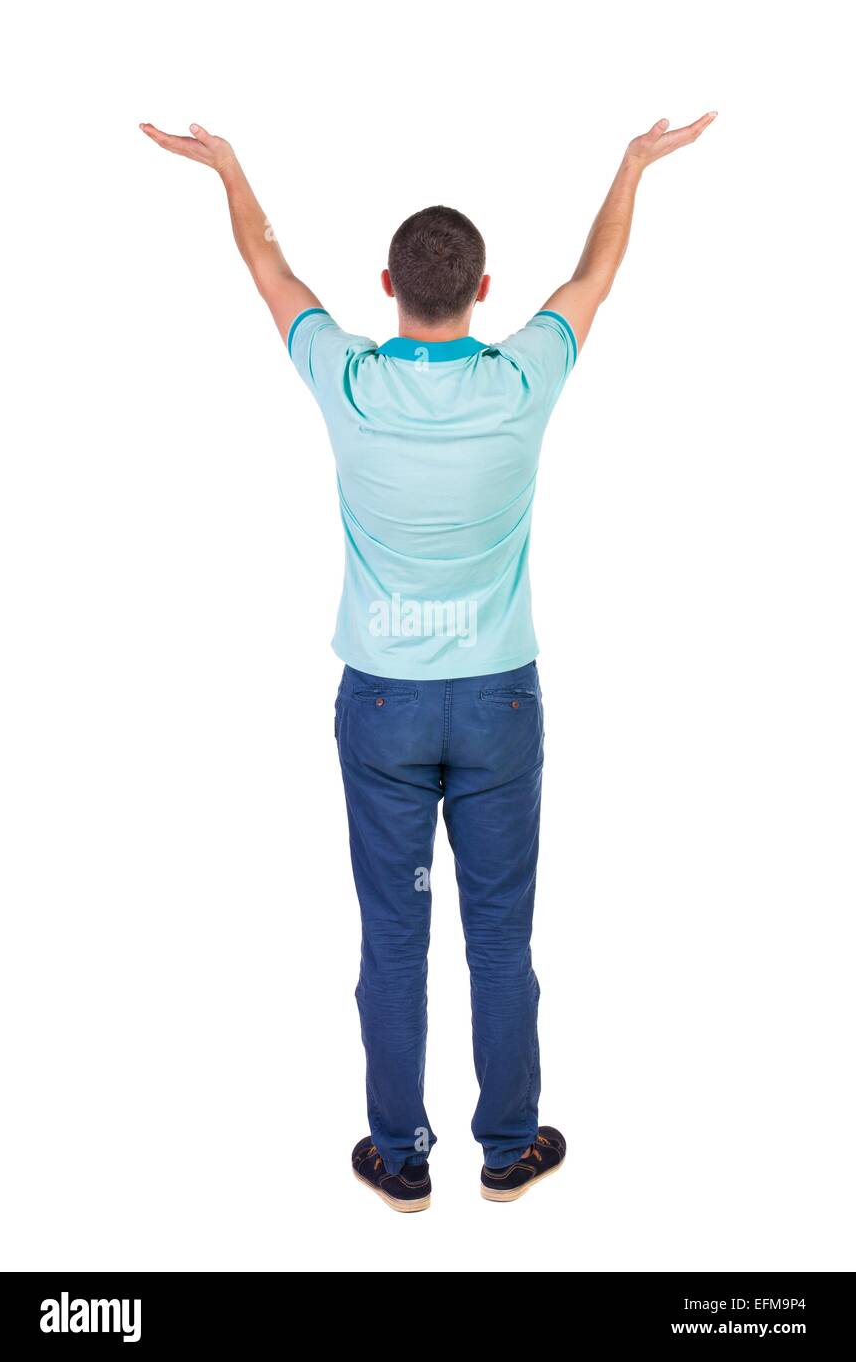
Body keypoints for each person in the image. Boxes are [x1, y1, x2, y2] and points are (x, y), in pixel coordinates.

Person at [140, 110, 716, 1211]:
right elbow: (595, 274)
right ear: (483, 290)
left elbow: (268, 266)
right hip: (498, 705)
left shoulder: (348, 380)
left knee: (394, 937)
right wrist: (632, 163)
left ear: (388, 286)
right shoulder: (519, 382)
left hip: (385, 711)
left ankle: (399, 1158)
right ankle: (506, 1148)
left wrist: (228, 167)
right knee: (500, 938)